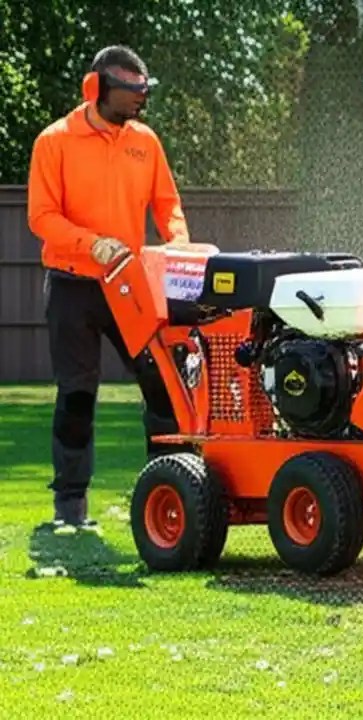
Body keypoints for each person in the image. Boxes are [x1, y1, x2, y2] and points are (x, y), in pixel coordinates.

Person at [26, 45, 191, 535]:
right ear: (96, 89)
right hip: (73, 284)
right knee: (77, 393)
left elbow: (168, 204)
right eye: (132, 92)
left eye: (144, 92)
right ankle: (70, 505)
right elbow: (41, 216)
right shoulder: (53, 142)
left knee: (163, 384)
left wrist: (178, 244)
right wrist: (90, 243)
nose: (141, 100)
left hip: (130, 286)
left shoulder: (145, 141)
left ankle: (173, 489)